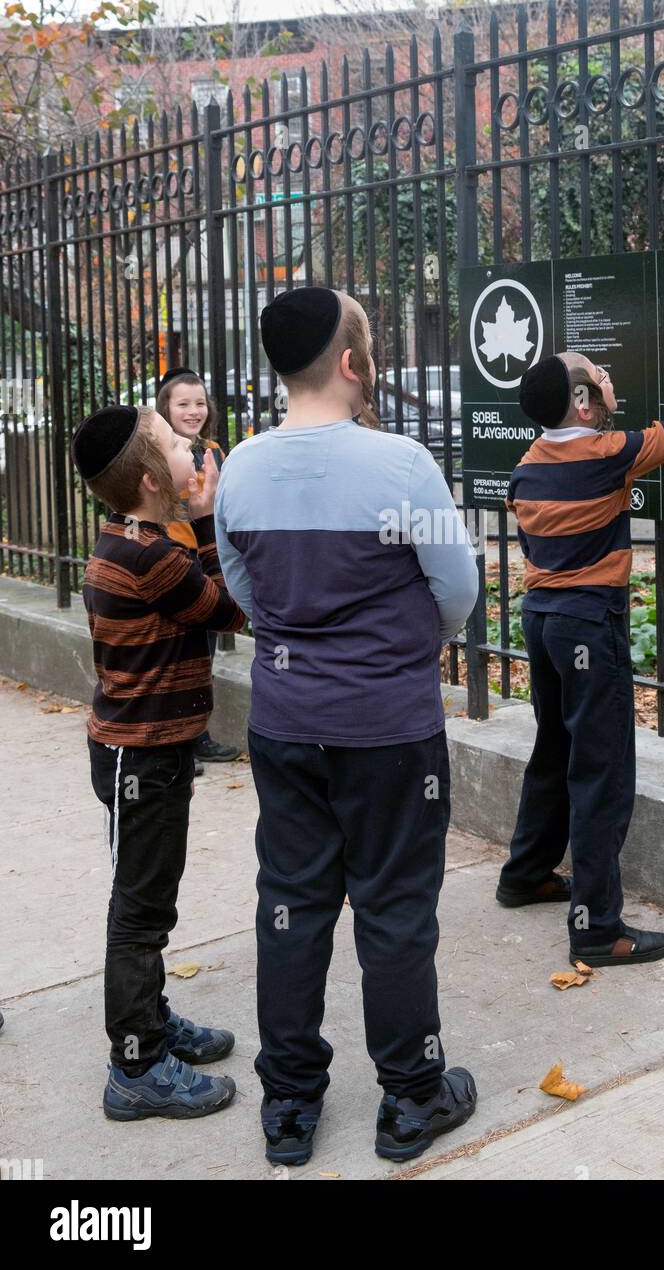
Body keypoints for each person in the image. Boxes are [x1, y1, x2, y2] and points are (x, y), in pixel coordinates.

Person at [214, 286, 480, 1166]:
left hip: (285, 722)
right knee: (396, 908)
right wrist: (405, 651)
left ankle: (288, 1102)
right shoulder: (403, 466)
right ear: (355, 363)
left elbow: (245, 593)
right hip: (390, 728)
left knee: (289, 904)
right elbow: (458, 595)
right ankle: (410, 1096)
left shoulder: (241, 468)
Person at [495, 319, 664, 969]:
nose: (611, 378)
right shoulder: (607, 451)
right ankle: (596, 929)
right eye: (599, 375)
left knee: (555, 749)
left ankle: (527, 873)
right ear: (583, 402)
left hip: (543, 619)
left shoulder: (528, 467)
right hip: (588, 624)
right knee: (603, 773)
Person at [72, 403, 247, 1120]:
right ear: (151, 479)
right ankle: (136, 1064)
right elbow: (229, 609)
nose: (194, 447)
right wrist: (207, 520)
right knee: (140, 913)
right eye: (178, 444)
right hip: (140, 757)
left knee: (148, 903)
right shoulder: (152, 556)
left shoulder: (131, 537)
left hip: (144, 752)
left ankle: (152, 1018)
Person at [156, 366, 239, 768]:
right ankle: (176, 743)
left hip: (206, 559)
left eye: (200, 403)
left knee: (203, 653)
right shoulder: (156, 453)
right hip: (174, 558)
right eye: (183, 403)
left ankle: (197, 735)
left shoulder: (214, 450)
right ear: (165, 409)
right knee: (175, 654)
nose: (193, 411)